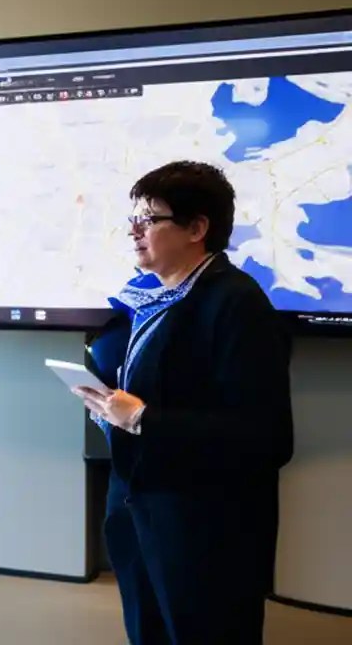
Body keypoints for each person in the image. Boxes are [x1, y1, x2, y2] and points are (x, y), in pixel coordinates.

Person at [73, 161, 293, 644]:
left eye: (150, 218)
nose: (134, 229)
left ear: (197, 228)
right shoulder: (157, 297)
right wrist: (113, 413)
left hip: (203, 530)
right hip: (141, 511)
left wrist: (145, 418)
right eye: (134, 216)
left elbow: (266, 437)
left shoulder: (236, 304)